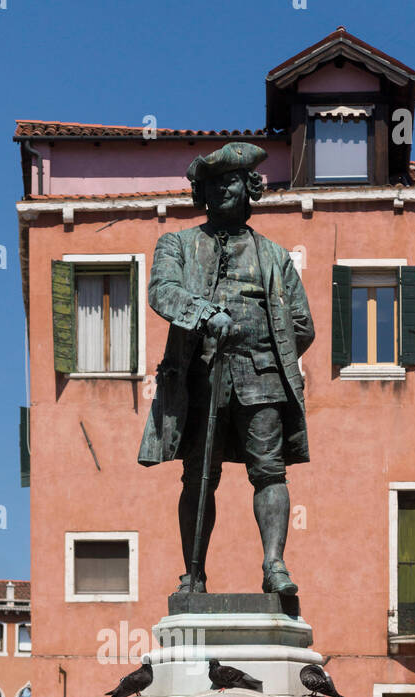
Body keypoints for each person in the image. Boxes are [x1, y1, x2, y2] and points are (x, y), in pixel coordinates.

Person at [138, 141, 314, 595]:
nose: (220, 191)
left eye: (230, 181)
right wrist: (204, 314)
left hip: (263, 375)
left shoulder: (275, 256)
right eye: (211, 185)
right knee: (198, 474)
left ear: (250, 187)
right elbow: (161, 290)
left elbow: (302, 324)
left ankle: (275, 566)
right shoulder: (177, 243)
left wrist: (269, 343)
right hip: (201, 374)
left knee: (270, 471)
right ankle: (193, 573)